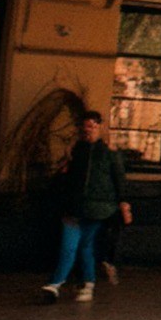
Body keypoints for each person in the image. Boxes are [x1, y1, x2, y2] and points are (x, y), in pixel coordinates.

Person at [41, 112, 130, 303]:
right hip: (81, 206)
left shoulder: (105, 152)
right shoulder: (80, 150)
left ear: (99, 127)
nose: (88, 130)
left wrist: (122, 203)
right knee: (76, 246)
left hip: (95, 208)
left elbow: (119, 179)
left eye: (92, 127)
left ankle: (63, 283)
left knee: (79, 246)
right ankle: (68, 283)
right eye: (86, 127)